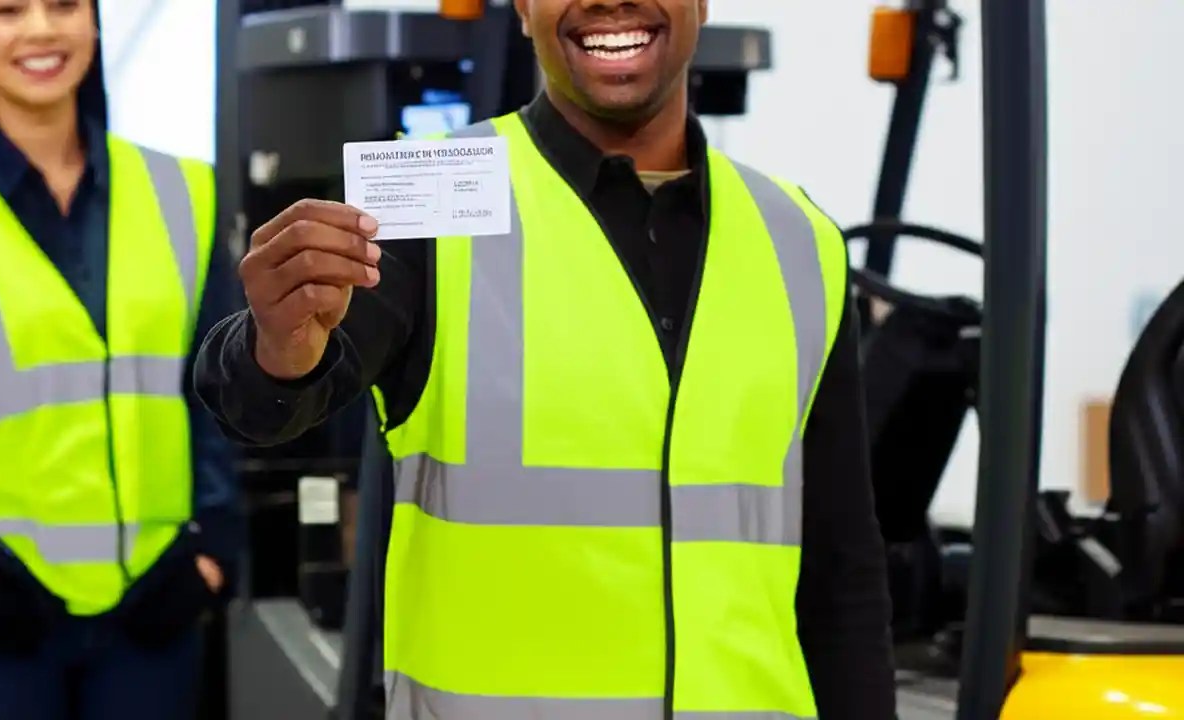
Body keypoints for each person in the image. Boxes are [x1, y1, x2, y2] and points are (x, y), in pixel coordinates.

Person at [196, 0, 895, 717]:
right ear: (523, 9)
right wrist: (278, 346)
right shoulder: (432, 200)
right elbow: (270, 400)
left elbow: (843, 571)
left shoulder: (799, 240)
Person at [0, 0, 241, 717]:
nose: (40, 30)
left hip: (153, 615)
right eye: (7, 10)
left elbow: (218, 387)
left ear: (92, 21)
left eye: (63, 5)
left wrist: (213, 549)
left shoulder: (186, 192)